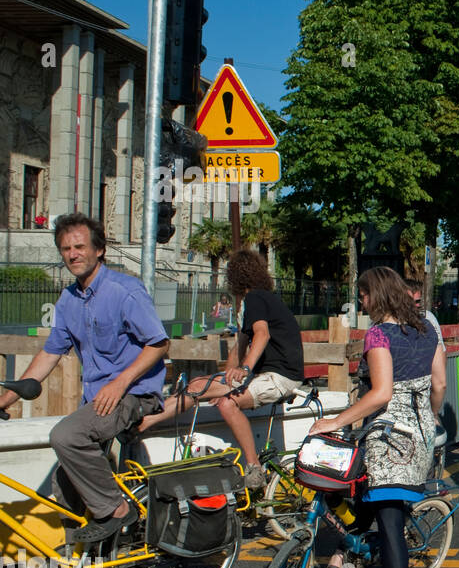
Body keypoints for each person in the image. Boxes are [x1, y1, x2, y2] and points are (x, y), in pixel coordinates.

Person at [0, 215, 168, 543]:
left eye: (80, 246)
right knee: (65, 486)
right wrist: (6, 400)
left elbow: (159, 343)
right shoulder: (69, 300)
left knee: (65, 435)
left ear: (99, 250)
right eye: (66, 249)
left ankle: (118, 511)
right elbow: (50, 353)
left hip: (133, 394)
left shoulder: (124, 290)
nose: (73, 254)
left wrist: (119, 383)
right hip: (97, 399)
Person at [310, 267, 446, 568]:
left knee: (387, 520)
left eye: (364, 294)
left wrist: (335, 422)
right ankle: (344, 556)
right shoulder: (427, 329)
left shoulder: (378, 336)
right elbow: (440, 385)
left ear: (378, 295)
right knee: (375, 501)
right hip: (420, 433)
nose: (362, 300)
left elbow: (381, 393)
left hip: (390, 436)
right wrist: (430, 418)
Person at [139, 250, 305, 490]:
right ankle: (147, 421)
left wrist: (245, 368)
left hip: (280, 377)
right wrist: (225, 381)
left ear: (235, 276)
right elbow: (238, 349)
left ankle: (254, 467)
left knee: (228, 403)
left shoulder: (256, 299)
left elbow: (262, 335)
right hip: (269, 375)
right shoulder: (253, 304)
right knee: (198, 386)